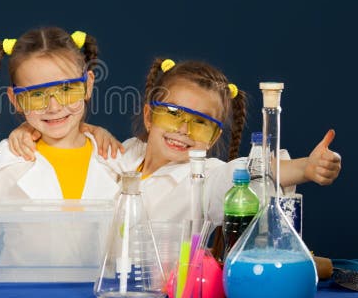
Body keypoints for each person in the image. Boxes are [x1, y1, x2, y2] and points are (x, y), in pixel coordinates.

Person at [111, 58, 341, 226]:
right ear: (149, 116)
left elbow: (245, 172)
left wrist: (305, 168)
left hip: (165, 290)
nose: (183, 130)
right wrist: (91, 130)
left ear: (213, 137)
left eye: (201, 122)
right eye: (172, 113)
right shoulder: (126, 151)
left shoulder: (204, 178)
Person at [0, 27, 120, 200]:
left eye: (66, 88)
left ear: (88, 85)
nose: (53, 107)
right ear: (15, 100)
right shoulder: (5, 162)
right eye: (37, 94)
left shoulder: (116, 160)